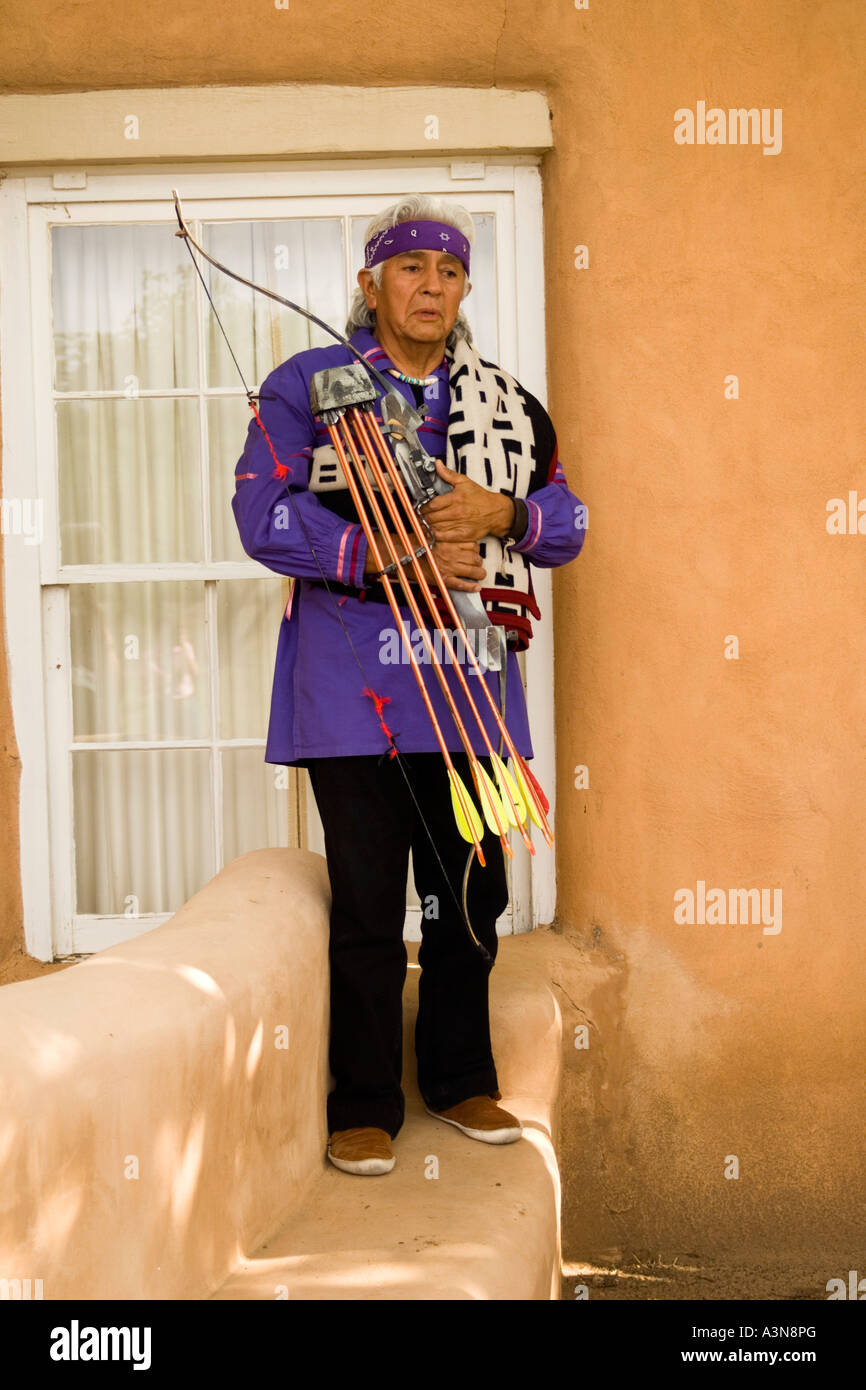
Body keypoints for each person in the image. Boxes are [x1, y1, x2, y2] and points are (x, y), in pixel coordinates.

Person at [232, 194, 586, 1176]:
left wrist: (502, 512)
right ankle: (364, 1101)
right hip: (352, 693)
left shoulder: (505, 402)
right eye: (410, 268)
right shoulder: (309, 386)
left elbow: (567, 522)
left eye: (449, 271)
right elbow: (261, 517)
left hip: (472, 689)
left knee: (470, 892)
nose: (431, 286)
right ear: (371, 284)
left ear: (464, 288)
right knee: (366, 905)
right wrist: (389, 553)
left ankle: (460, 1077)